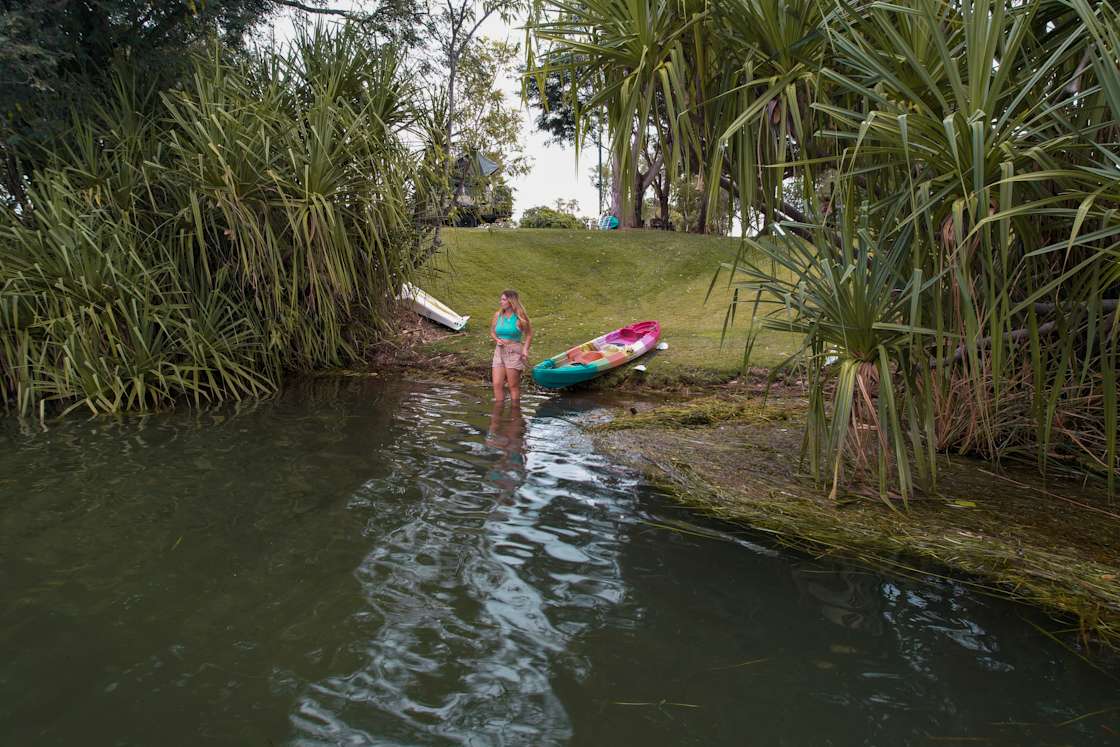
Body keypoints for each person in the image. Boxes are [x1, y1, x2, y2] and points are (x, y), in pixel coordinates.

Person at [490, 289, 532, 404]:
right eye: (501, 299)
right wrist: (497, 339)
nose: (500, 302)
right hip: (499, 351)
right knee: (497, 384)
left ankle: (515, 414)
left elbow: (528, 334)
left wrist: (525, 350)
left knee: (512, 385)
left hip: (514, 351)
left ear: (511, 301)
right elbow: (492, 332)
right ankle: (497, 415)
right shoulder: (498, 315)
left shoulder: (520, 317)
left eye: (503, 299)